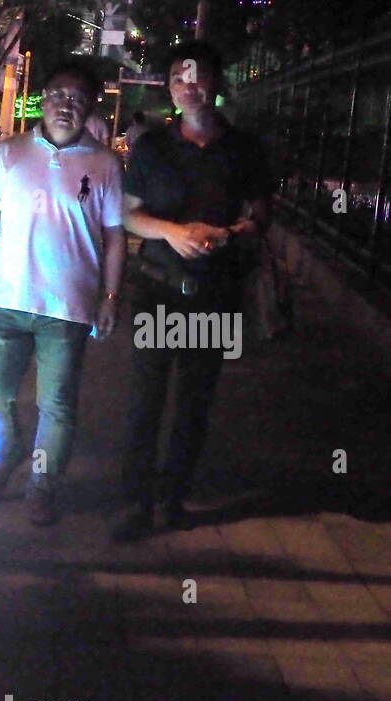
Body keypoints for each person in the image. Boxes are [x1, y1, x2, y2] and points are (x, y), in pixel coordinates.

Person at [112, 41, 276, 542]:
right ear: (168, 87)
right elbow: (126, 212)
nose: (190, 86)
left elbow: (261, 214)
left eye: (199, 76)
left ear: (218, 84)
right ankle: (135, 505)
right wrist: (172, 232)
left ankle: (174, 497)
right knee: (145, 401)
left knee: (195, 403)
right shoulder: (152, 147)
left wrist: (227, 234)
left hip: (216, 291)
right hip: (158, 289)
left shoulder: (245, 149)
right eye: (180, 78)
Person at [0, 59, 126, 526]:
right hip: (7, 299)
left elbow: (114, 237)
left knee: (57, 405)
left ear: (89, 107)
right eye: (56, 94)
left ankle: (42, 487)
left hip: (68, 307)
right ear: (42, 100)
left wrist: (110, 297)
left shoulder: (105, 163)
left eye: (76, 98)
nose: (64, 105)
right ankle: (6, 451)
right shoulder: (9, 153)